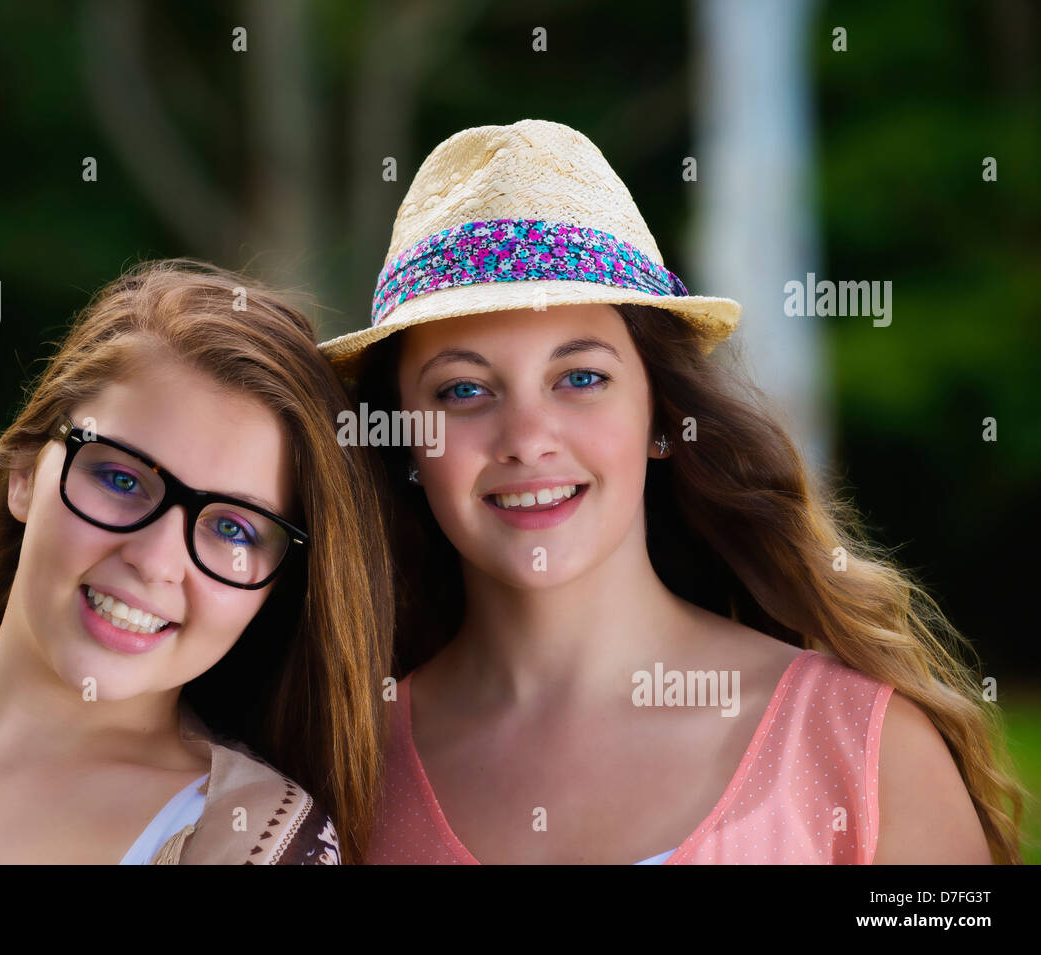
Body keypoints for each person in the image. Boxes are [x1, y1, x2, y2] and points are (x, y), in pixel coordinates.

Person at [321, 119, 1024, 864]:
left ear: (660, 414)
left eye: (581, 378)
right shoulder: (339, 777)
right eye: (463, 389)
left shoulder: (863, 749)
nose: (528, 437)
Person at [0, 258, 394, 865]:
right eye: (120, 479)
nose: (155, 560)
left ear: (276, 584)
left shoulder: (262, 843)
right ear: (25, 469)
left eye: (234, 527)